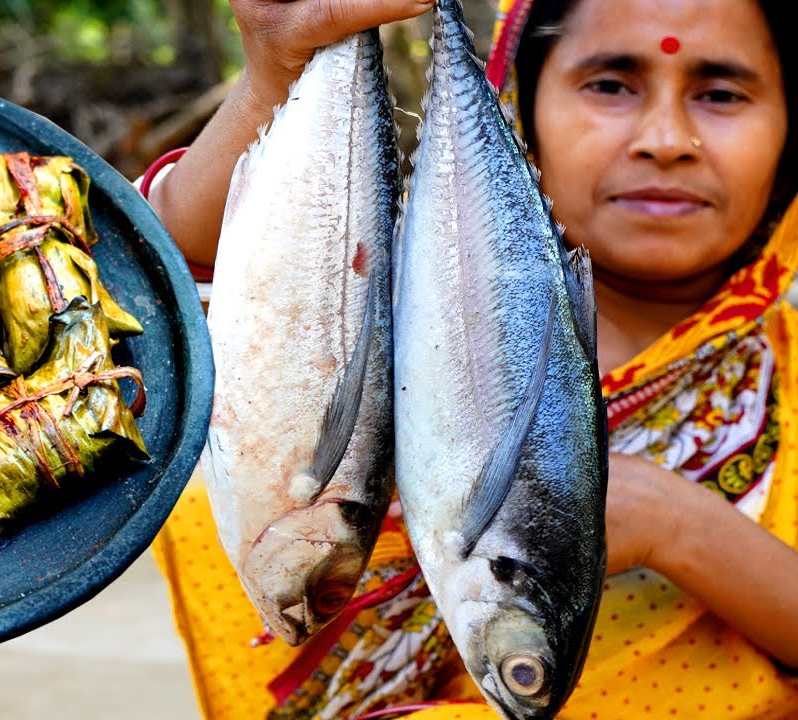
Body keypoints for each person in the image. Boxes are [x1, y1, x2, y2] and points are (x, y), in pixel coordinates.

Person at [143, 0, 798, 718]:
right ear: (522, 99)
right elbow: (170, 284)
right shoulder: (393, 290)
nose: (666, 140)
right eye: (610, 85)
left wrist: (680, 526)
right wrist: (275, 72)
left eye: (722, 93)